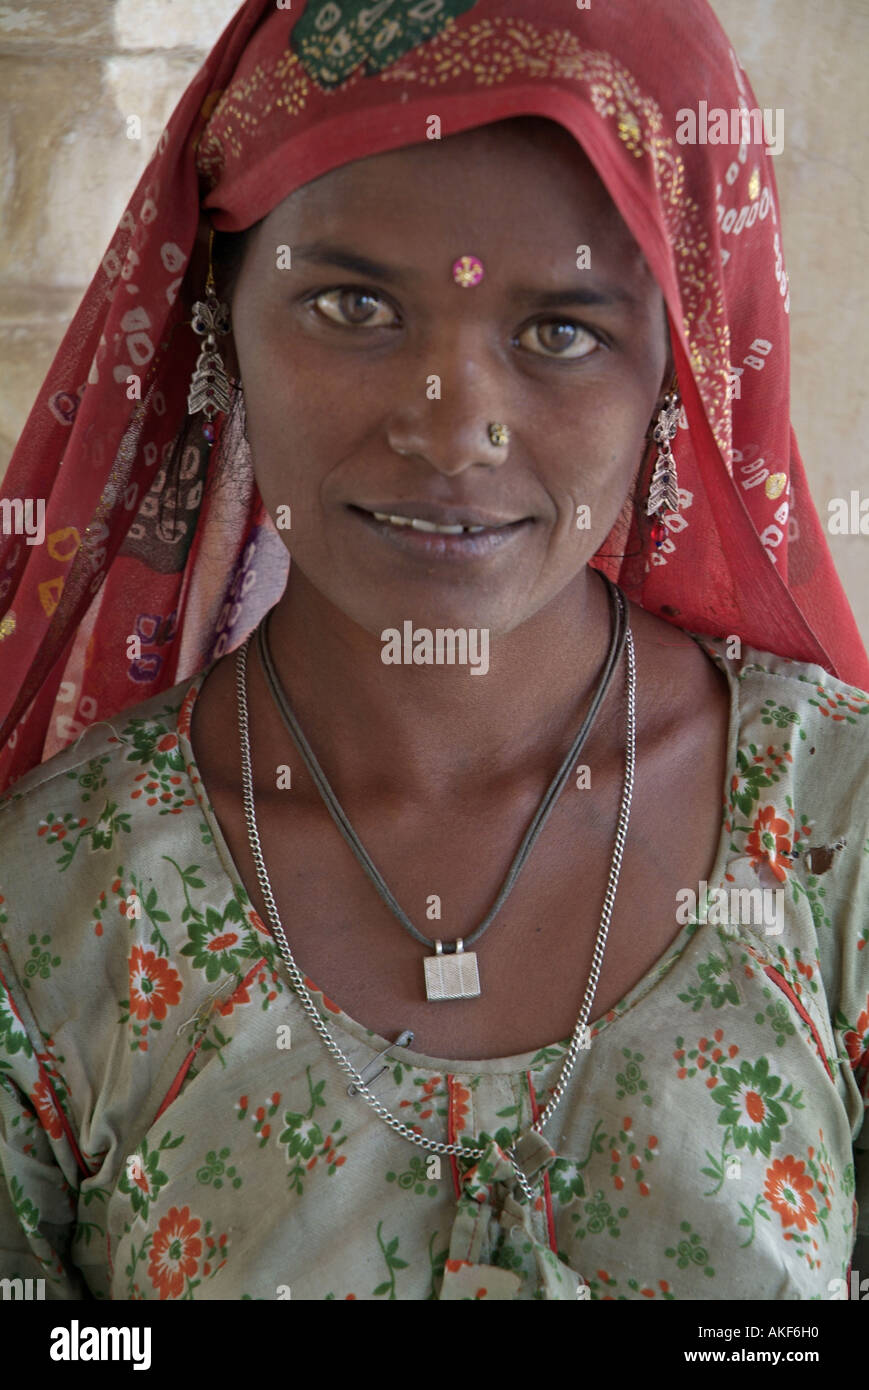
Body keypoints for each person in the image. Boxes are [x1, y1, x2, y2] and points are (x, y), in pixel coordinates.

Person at [0, 0, 866, 1302]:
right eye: (352, 306)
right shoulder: (51, 912)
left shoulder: (834, 840)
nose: (453, 427)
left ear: (678, 365)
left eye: (561, 330)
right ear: (217, 322)